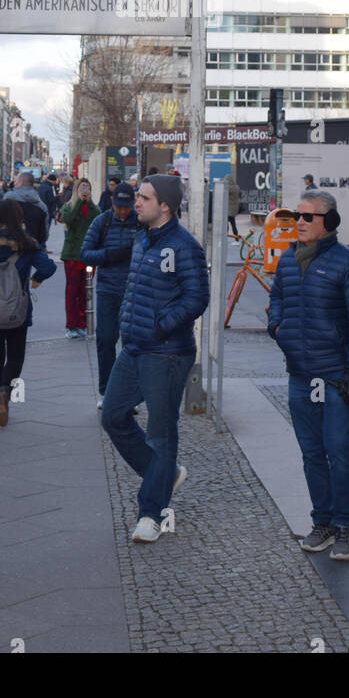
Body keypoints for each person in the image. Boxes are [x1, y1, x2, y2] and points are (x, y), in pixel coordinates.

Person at [101, 175, 209, 543]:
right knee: (112, 416)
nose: (136, 203)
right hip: (134, 347)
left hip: (166, 352)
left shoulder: (184, 246)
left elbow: (196, 298)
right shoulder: (142, 239)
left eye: (144, 198)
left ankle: (151, 513)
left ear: (165, 205)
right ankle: (164, 474)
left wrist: (161, 325)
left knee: (161, 433)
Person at [267, 190, 349, 561]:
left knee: (338, 451)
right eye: (297, 215)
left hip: (333, 376)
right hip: (300, 374)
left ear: (328, 222)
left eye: (308, 216)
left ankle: (345, 525)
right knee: (312, 453)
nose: (300, 221)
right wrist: (276, 326)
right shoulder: (286, 260)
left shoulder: (348, 265)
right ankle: (322, 523)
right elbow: (276, 300)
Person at [0, 199, 56, 427]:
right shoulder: (26, 244)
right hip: (18, 310)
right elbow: (49, 267)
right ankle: (5, 392)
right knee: (16, 356)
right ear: (18, 219)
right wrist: (35, 279)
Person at [81, 181, 139, 408]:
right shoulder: (102, 221)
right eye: (119, 206)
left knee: (132, 342)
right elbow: (85, 254)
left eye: (126, 207)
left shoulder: (141, 223)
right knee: (105, 339)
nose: (123, 211)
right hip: (107, 289)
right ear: (113, 202)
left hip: (134, 290)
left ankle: (129, 394)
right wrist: (109, 255)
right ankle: (106, 391)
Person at [60, 180, 100, 338]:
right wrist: (78, 203)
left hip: (88, 257)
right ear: (76, 190)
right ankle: (71, 325)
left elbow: (98, 218)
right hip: (72, 256)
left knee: (86, 291)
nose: (85, 191)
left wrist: (89, 203)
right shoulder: (68, 207)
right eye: (82, 188)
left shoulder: (93, 208)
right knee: (72, 291)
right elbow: (68, 220)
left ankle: (83, 324)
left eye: (87, 188)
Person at [7, 171, 49, 247]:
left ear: (21, 183)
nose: (14, 184)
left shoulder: (6, 200)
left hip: (8, 246)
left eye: (16, 181)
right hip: (32, 247)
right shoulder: (42, 206)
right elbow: (44, 234)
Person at [225, 172, 241, 238]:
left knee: (226, 224)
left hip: (229, 210)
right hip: (234, 209)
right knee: (233, 224)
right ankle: (236, 238)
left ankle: (225, 236)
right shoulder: (237, 187)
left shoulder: (229, 188)